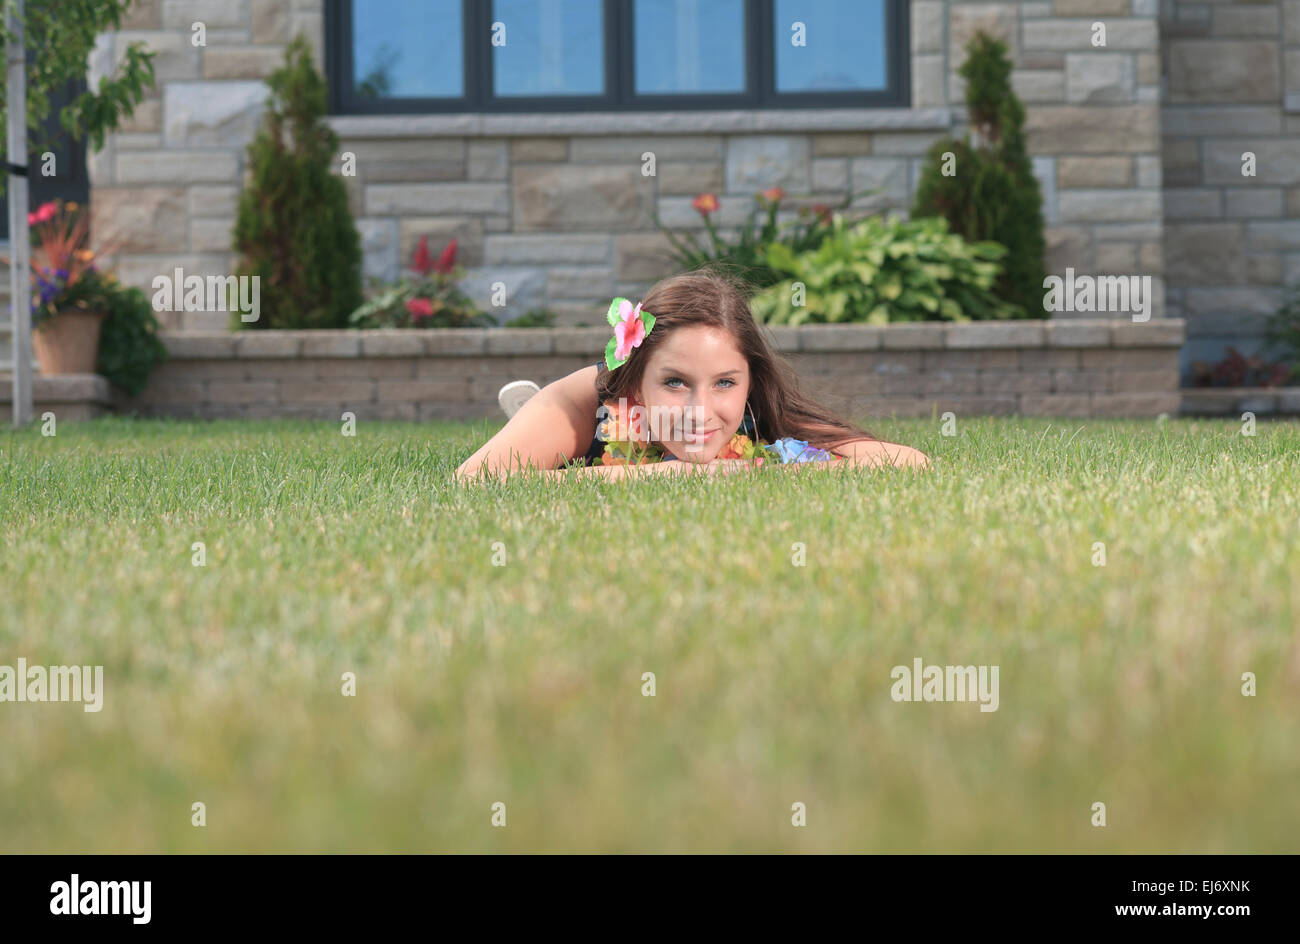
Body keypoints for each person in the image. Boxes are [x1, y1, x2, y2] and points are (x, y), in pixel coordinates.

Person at [457, 269, 932, 482]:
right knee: (557, 446)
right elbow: (477, 481)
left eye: (725, 382)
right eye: (675, 382)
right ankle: (531, 415)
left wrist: (755, 470)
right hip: (591, 427)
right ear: (636, 382)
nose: (699, 412)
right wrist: (668, 476)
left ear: (750, 381)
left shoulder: (756, 413)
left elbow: (910, 463)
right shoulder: (591, 397)